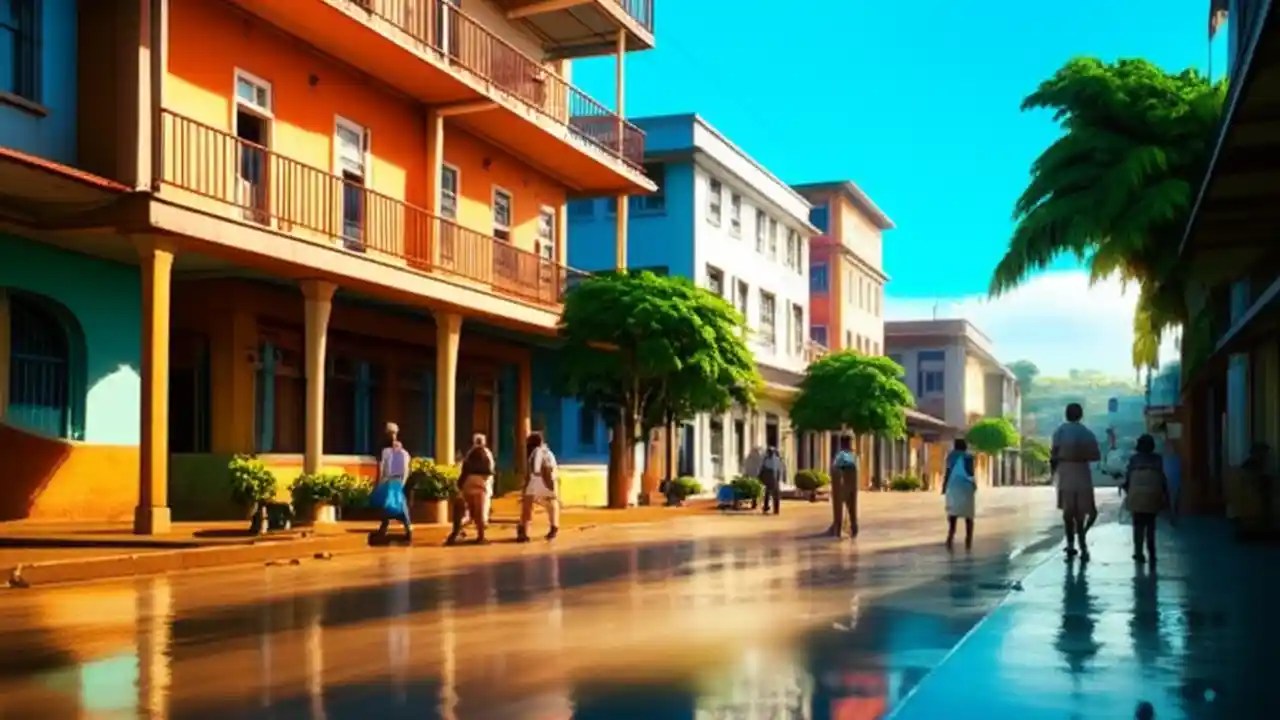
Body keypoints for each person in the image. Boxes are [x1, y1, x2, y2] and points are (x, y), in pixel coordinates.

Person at [1052, 403, 1102, 561]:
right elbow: (1096, 455)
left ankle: (1071, 544)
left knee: (1068, 514)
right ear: (1080, 415)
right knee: (1083, 514)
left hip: (1065, 473)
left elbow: (1053, 454)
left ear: (1066, 414)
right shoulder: (1087, 433)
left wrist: (1053, 473)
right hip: (1082, 473)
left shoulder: (1060, 432)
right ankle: (1083, 543)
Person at [1123, 434, 1168, 564]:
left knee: (1138, 526)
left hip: (1136, 496)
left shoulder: (1134, 460)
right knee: (1150, 526)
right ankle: (1152, 553)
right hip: (1153, 496)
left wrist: (1128, 491)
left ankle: (1138, 553)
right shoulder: (1158, 460)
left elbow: (1128, 480)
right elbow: (1162, 480)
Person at [447, 433, 495, 546]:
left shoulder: (469, 454)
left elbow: (464, 471)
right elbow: (489, 470)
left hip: (468, 484)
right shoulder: (486, 453)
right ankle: (481, 537)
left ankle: (456, 532)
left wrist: (460, 486)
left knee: (469, 513)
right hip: (481, 485)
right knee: (480, 513)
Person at [370, 427, 412, 543]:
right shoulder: (403, 452)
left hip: (389, 482)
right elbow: (405, 470)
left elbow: (382, 469)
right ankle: (406, 529)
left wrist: (378, 483)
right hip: (397, 482)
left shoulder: (385, 452)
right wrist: (402, 483)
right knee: (397, 505)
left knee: (388, 505)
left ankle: (387, 530)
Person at [518, 432, 560, 543]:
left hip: (535, 481)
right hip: (549, 482)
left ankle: (523, 532)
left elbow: (531, 470)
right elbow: (552, 469)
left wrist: (525, 486)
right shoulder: (549, 453)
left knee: (527, 507)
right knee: (552, 505)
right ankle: (554, 527)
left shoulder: (534, 453)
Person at [942, 438, 977, 550]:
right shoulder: (969, 457)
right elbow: (971, 473)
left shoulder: (950, 456)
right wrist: (974, 485)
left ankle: (950, 536)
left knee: (953, 513)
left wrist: (944, 486)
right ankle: (969, 538)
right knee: (969, 515)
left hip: (953, 486)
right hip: (966, 486)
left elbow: (947, 472)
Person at [828, 435, 859, 538]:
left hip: (843, 485)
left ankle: (838, 529)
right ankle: (853, 529)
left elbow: (836, 470)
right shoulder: (849, 456)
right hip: (849, 485)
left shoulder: (841, 456)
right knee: (852, 510)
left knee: (839, 510)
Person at [758, 447, 785, 515]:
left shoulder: (767, 459)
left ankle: (768, 508)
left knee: (770, 494)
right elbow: (780, 470)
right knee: (773, 495)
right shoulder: (777, 459)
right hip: (774, 478)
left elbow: (763, 469)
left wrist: (761, 477)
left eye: (769, 452)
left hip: (771, 478)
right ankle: (774, 509)